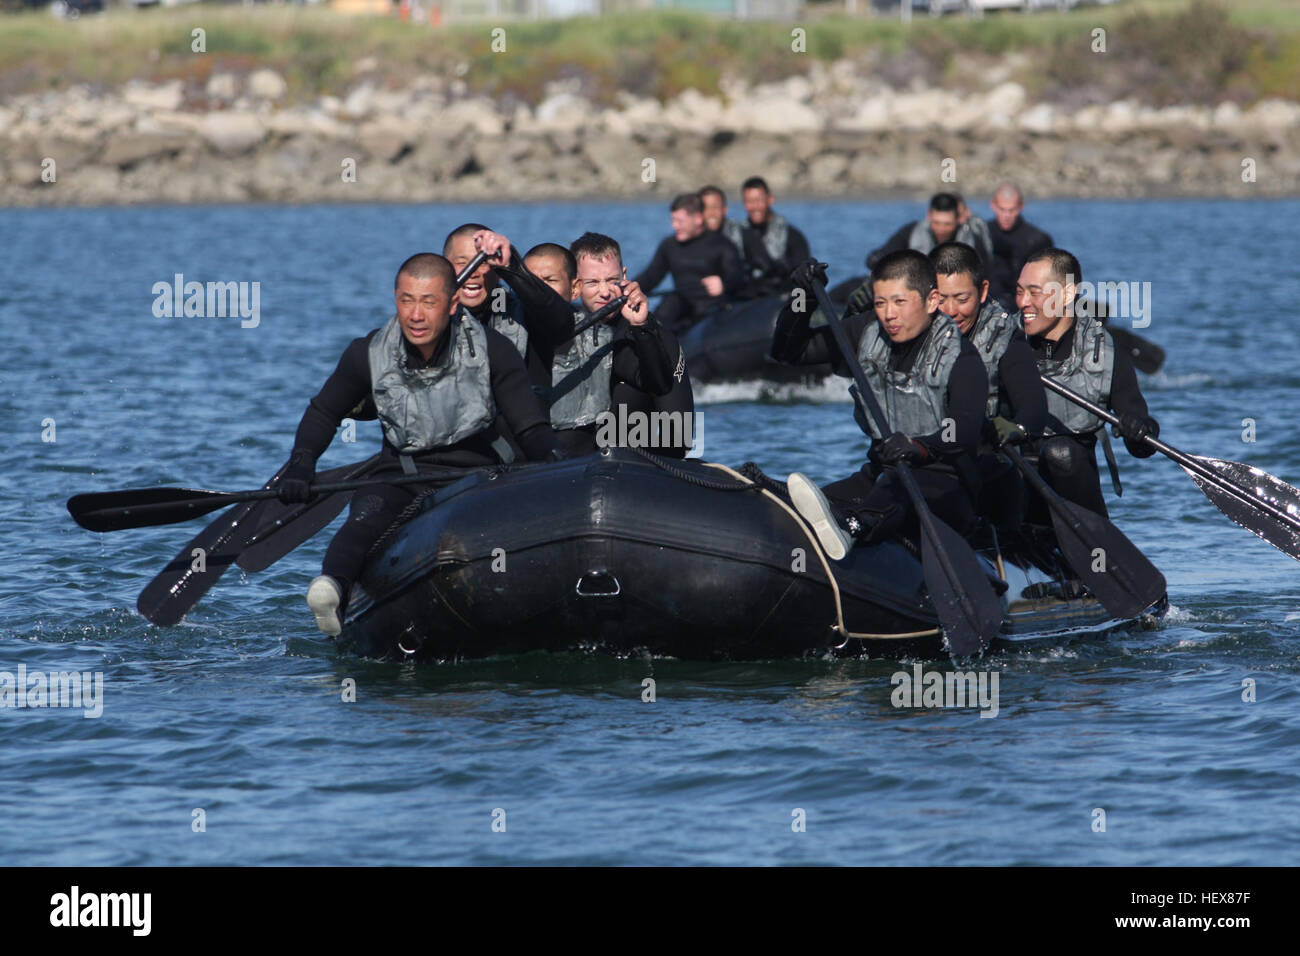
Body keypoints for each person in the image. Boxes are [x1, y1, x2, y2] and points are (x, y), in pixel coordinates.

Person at [278, 252, 563, 636]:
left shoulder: (494, 349)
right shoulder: (366, 353)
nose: (415, 315)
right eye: (406, 300)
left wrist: (556, 464)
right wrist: (301, 464)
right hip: (403, 475)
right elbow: (323, 412)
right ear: (395, 298)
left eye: (428, 302)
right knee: (364, 518)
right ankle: (332, 589)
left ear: (453, 303)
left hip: (479, 476)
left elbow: (530, 428)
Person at [772, 250, 988, 559]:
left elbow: (962, 431)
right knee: (801, 507)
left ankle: (853, 529)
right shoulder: (866, 331)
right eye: (880, 303)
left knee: (897, 485)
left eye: (900, 302)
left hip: (946, 486)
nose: (888, 314)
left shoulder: (962, 357)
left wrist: (919, 446)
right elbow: (789, 352)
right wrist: (802, 298)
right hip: (882, 476)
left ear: (931, 301)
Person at [1017, 248, 1158, 519]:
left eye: (1034, 292)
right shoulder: (1000, 343)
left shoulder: (1106, 352)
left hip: (1073, 494)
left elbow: (1142, 449)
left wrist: (1141, 429)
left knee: (1061, 452)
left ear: (1068, 294)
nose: (1023, 302)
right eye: (1019, 291)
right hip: (1009, 485)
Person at [525, 232, 682, 456]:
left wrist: (642, 328)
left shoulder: (654, 335)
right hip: (565, 464)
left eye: (611, 280)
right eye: (592, 283)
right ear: (575, 285)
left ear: (624, 275)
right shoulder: (555, 333)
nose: (605, 292)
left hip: (630, 463)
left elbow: (678, 440)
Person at [931, 240, 1048, 529]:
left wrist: (1016, 428)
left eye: (961, 299)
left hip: (987, 463)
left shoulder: (1005, 337)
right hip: (926, 457)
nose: (950, 311)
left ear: (982, 291)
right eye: (942, 299)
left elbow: (1034, 407)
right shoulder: (912, 325)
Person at [633, 192, 746, 335]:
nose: (674, 226)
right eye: (673, 220)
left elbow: (738, 277)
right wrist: (629, 289)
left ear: (698, 219)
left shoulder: (721, 244)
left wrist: (724, 284)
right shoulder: (669, 246)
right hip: (683, 306)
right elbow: (650, 277)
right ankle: (653, 339)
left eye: (679, 221)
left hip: (712, 309)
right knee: (671, 302)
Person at [866, 192, 991, 272]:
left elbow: (987, 272)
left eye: (947, 224)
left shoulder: (973, 239)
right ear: (929, 216)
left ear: (958, 219)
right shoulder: (911, 232)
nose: (941, 229)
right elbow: (878, 257)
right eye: (936, 223)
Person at [737, 176, 811, 295]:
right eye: (749, 201)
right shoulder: (738, 236)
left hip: (783, 299)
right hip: (750, 301)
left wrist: (777, 268)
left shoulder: (792, 237)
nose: (754, 206)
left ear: (770, 199)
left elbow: (803, 282)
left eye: (759, 200)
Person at [987, 181, 1054, 305]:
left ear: (1021, 206)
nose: (1006, 215)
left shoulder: (1038, 239)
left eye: (1011, 210)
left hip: (1022, 302)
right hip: (989, 301)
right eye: (1002, 209)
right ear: (993, 205)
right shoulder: (983, 235)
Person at [699, 184, 745, 256]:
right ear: (698, 211)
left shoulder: (743, 234)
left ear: (725, 210)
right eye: (706, 208)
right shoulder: (688, 238)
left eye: (715, 207)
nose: (711, 213)